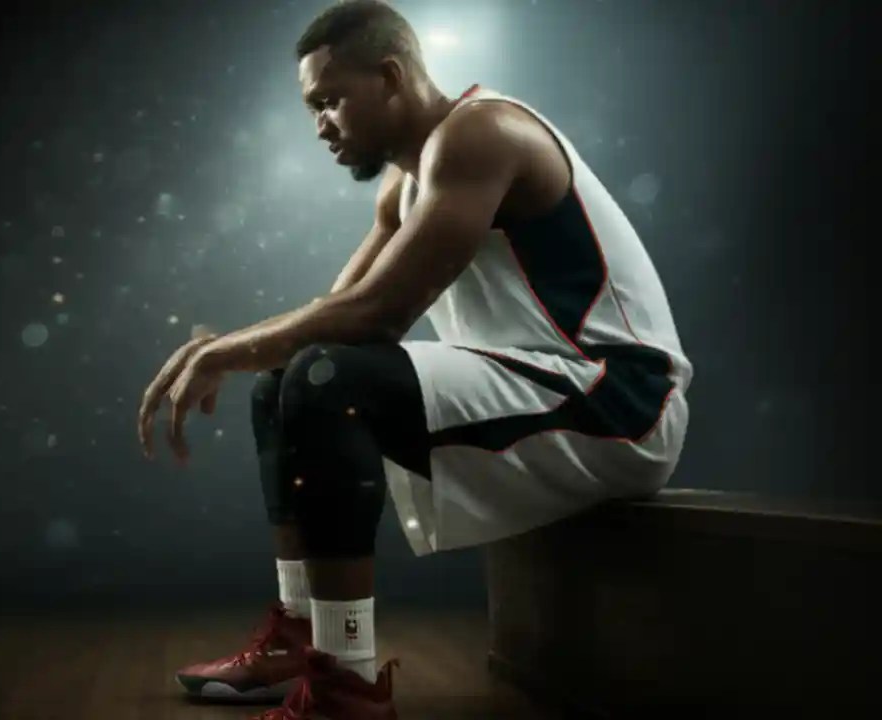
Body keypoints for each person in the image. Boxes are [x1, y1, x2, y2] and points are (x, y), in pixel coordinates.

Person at [136, 1, 692, 718]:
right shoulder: (406, 184)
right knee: (287, 378)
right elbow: (332, 313)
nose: (320, 126)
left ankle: (346, 681)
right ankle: (300, 635)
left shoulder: (482, 133)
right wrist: (232, 348)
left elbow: (377, 315)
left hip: (621, 400)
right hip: (538, 380)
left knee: (325, 377)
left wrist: (223, 351)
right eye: (313, 108)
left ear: (392, 74)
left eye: (330, 100)